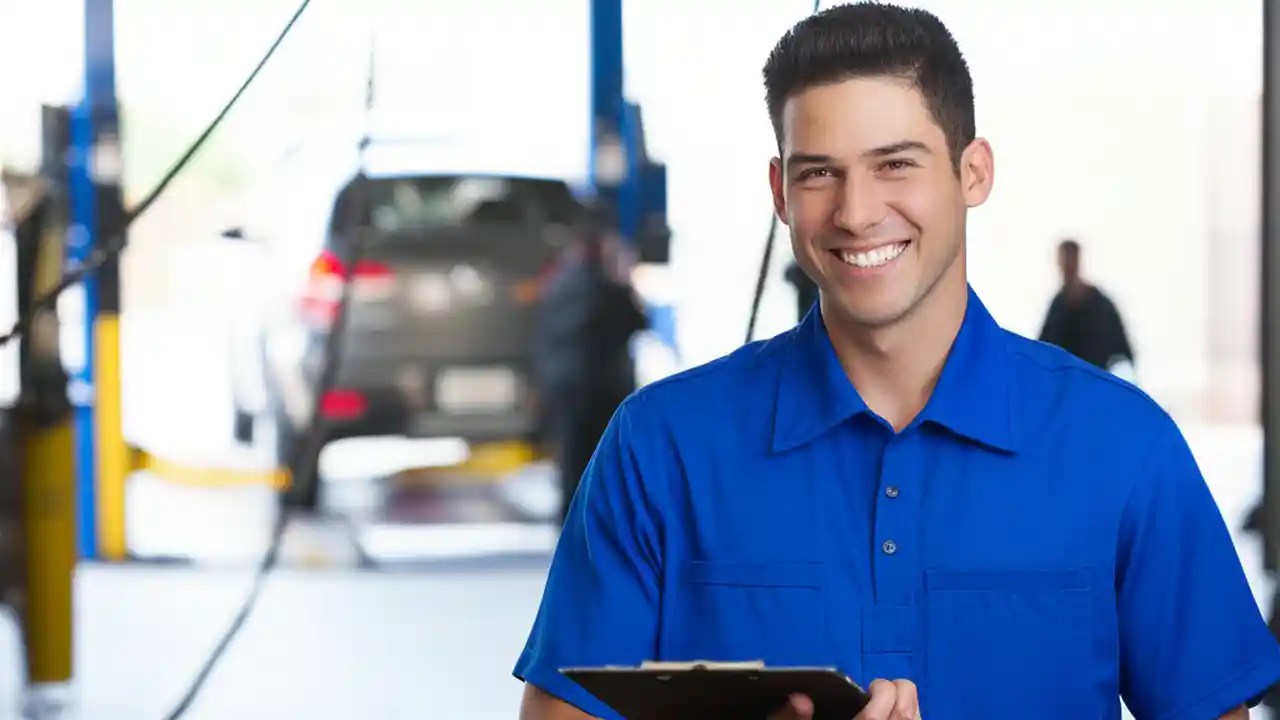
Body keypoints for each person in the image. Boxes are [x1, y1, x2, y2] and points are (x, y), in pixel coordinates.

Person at [514, 4, 1280, 719]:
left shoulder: (1122, 448)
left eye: (896, 164)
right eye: (819, 172)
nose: (856, 211)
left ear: (972, 172)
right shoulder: (661, 448)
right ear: (781, 191)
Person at [533, 203, 648, 524]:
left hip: (568, 387)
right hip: (599, 388)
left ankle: (573, 518)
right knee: (598, 460)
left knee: (574, 461)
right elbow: (637, 321)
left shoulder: (559, 282)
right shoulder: (604, 286)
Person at [1038, 239, 1135, 373]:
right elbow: (1042, 350)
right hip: (1065, 387)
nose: (1067, 267)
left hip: (1095, 384)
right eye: (1064, 261)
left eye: (1070, 260)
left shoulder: (1101, 305)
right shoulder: (1057, 308)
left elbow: (1124, 354)